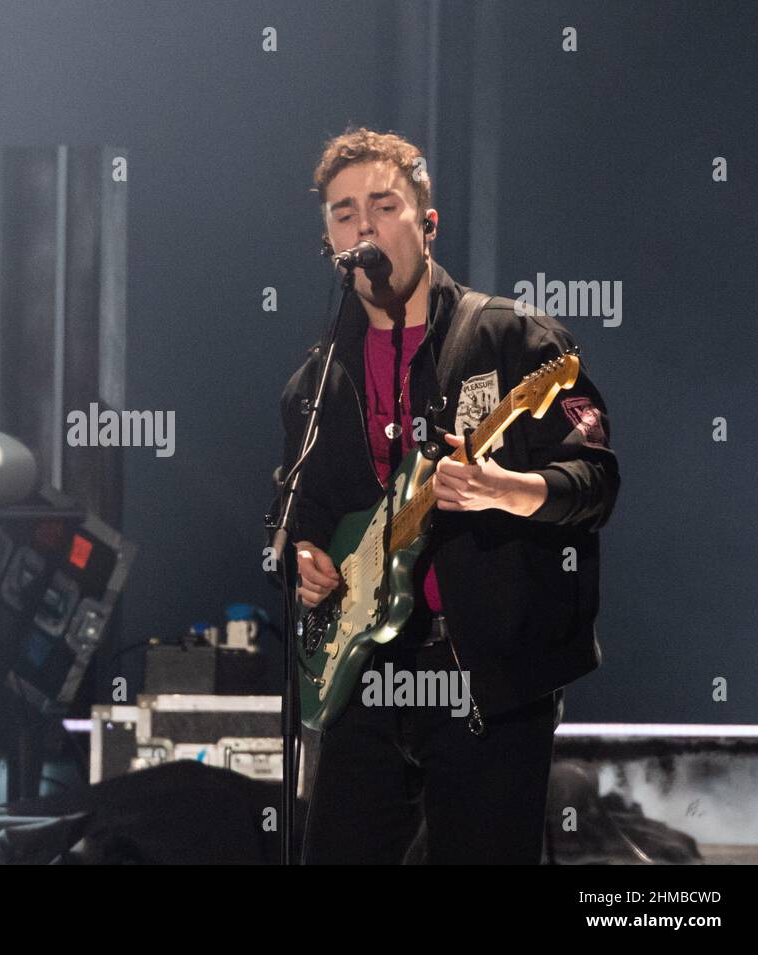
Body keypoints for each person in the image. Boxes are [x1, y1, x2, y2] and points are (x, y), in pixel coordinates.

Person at [279, 127, 620, 864]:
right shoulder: (316, 382)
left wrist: (506, 487)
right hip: (363, 675)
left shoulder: (512, 340)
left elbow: (596, 480)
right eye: (343, 213)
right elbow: (302, 514)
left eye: (382, 205)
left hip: (485, 679)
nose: (362, 224)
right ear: (329, 241)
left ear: (426, 224)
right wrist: (304, 558)